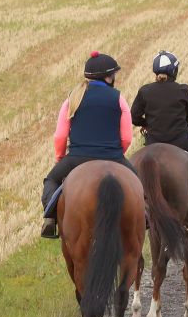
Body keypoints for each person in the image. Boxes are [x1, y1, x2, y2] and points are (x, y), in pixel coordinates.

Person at [40, 52, 137, 239]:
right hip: (112, 157)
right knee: (138, 184)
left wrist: (60, 158)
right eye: (114, 74)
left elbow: (60, 135)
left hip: (77, 158)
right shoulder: (118, 98)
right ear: (108, 77)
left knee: (50, 180)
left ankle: (50, 219)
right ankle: (145, 216)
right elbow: (126, 137)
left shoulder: (72, 99)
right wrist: (116, 155)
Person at [130, 50, 188, 194]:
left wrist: (146, 123)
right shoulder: (183, 90)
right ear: (174, 71)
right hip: (181, 140)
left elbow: (133, 117)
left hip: (154, 142)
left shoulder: (144, 91)